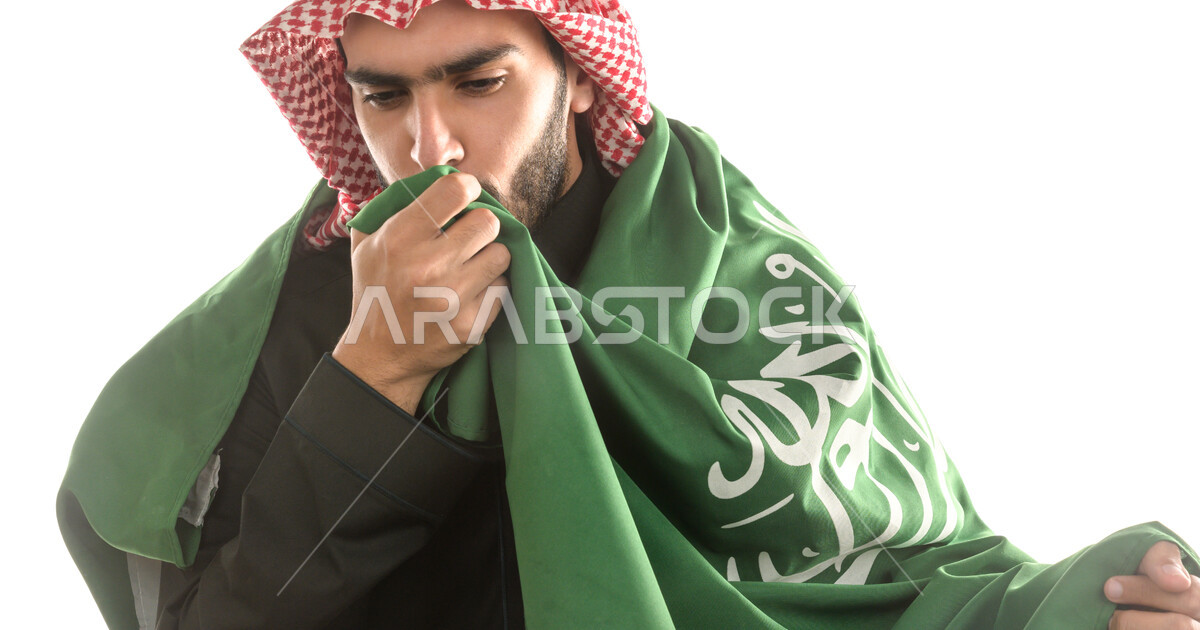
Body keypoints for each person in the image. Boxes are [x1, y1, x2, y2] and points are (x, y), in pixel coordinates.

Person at [57, 1, 1198, 628]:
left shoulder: (726, 260)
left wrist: (1075, 610)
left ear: (583, 75)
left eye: (478, 79)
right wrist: (372, 384)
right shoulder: (314, 296)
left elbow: (892, 570)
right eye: (384, 95)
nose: (428, 148)